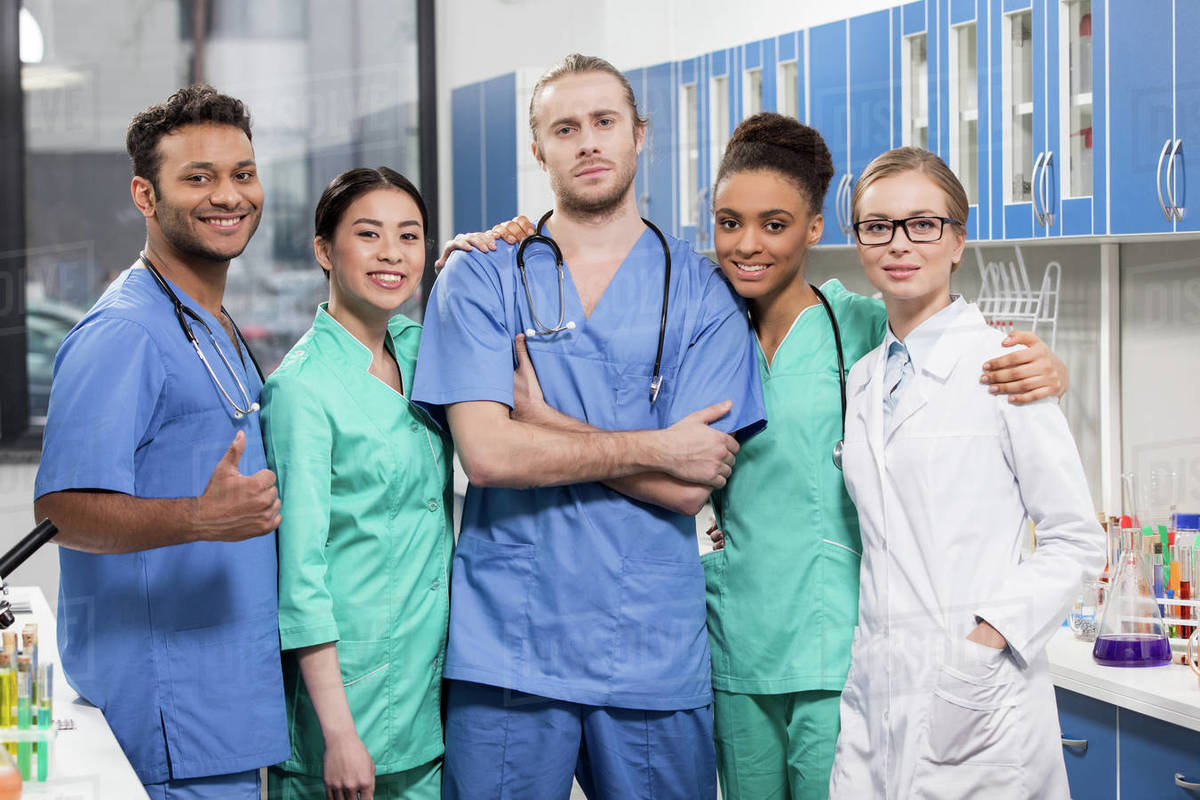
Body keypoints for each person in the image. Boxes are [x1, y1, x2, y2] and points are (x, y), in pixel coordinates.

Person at [468, 112, 1068, 800]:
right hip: (730, 649)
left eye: (775, 225)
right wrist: (495, 241)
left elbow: (955, 348)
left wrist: (1049, 366)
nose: (747, 245)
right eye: (728, 222)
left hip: (837, 653)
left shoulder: (862, 328)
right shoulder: (685, 319)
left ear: (815, 228)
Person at [413, 54, 765, 800]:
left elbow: (689, 489)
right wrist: (659, 446)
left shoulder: (702, 293)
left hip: (649, 648)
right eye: (564, 128)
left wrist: (540, 422)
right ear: (537, 150)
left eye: (605, 122)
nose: (588, 142)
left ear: (640, 135)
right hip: (510, 644)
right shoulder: (480, 275)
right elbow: (489, 454)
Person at [33, 85, 288, 799]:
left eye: (242, 173)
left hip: (223, 702)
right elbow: (62, 510)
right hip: (170, 713)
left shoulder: (209, 318)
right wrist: (200, 519)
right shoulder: (124, 331)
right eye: (198, 177)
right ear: (145, 196)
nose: (228, 196)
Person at [826, 147, 1104, 799]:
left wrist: (985, 642)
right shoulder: (865, 379)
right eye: (877, 226)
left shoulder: (1004, 366)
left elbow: (1076, 539)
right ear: (859, 240)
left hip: (982, 708)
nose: (899, 243)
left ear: (958, 238)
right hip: (875, 706)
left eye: (922, 224)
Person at [261, 168, 451, 800]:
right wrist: (339, 735)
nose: (392, 254)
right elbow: (301, 576)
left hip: (429, 694)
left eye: (410, 236)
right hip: (347, 710)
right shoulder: (301, 388)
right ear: (324, 251)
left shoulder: (422, 351)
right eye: (368, 235)